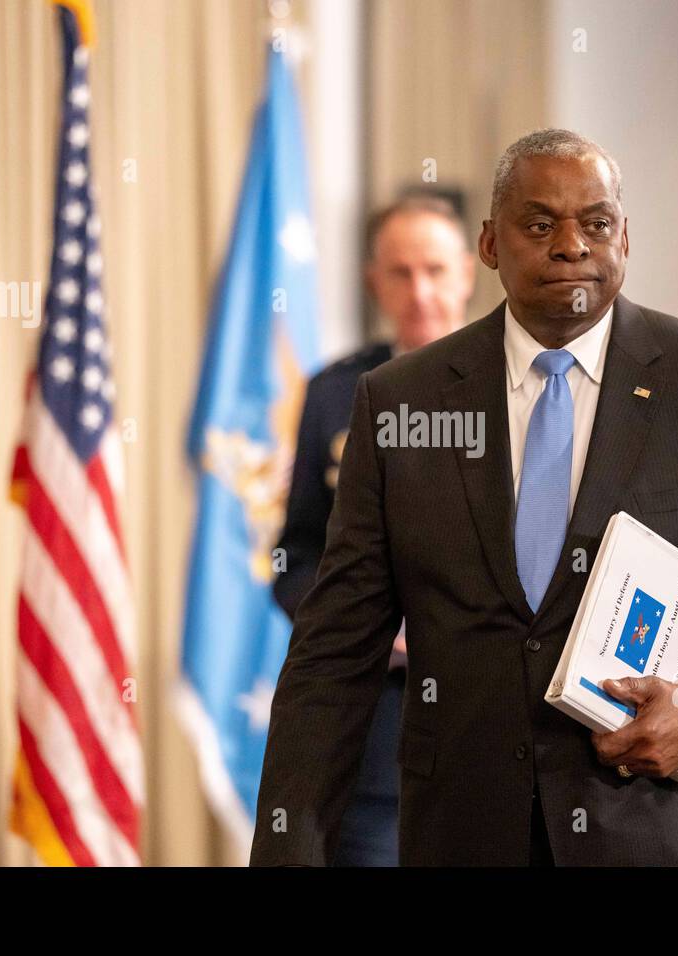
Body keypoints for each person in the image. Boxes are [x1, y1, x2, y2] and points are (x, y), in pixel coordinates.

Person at [252, 129, 678, 866]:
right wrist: (287, 847)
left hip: (657, 831)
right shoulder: (400, 402)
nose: (571, 245)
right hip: (464, 834)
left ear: (624, 236)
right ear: (490, 245)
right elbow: (333, 653)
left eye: (595, 223)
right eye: (540, 224)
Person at [271, 194, 475, 865]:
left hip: (493, 720)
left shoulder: (520, 385)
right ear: (373, 282)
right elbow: (294, 555)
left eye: (436, 270)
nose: (420, 291)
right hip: (374, 729)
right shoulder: (334, 393)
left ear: (469, 272)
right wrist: (361, 620)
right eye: (401, 272)